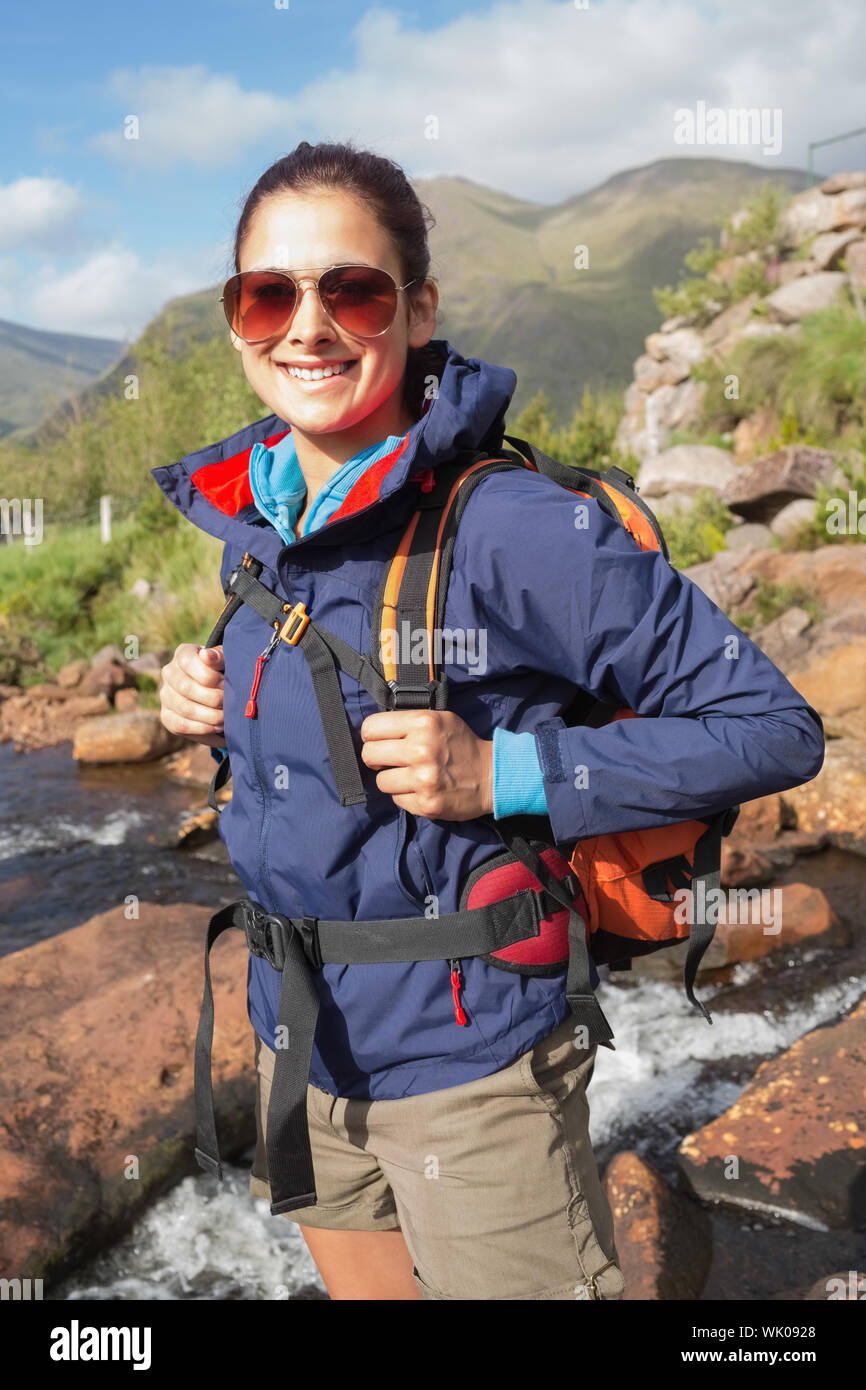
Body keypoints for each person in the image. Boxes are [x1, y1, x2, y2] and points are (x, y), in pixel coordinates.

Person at [156, 139, 824, 1301]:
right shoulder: (259, 519)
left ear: (416, 310)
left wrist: (501, 771)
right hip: (300, 1041)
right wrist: (207, 705)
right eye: (269, 293)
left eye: (349, 289)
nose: (305, 325)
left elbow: (768, 726)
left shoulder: (513, 526)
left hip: (469, 1073)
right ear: (238, 321)